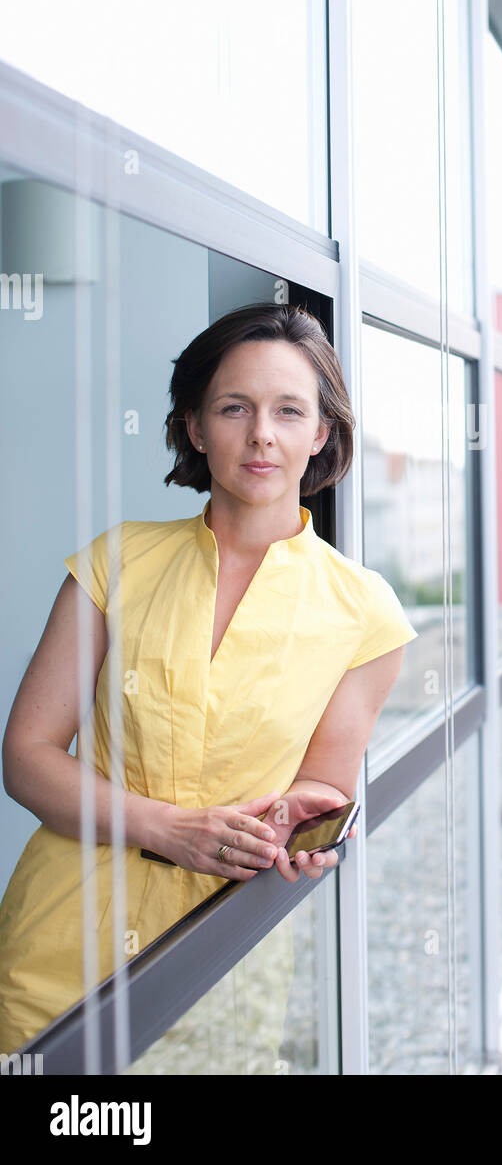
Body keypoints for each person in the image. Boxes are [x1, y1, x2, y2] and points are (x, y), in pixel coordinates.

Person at [0, 302, 418, 1054]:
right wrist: (167, 828)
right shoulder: (115, 563)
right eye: (235, 408)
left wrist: (310, 827)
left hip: (223, 953)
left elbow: (317, 800)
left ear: (320, 434)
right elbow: (25, 758)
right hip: (59, 941)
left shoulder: (366, 614)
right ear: (196, 426)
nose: (262, 433)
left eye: (289, 411)